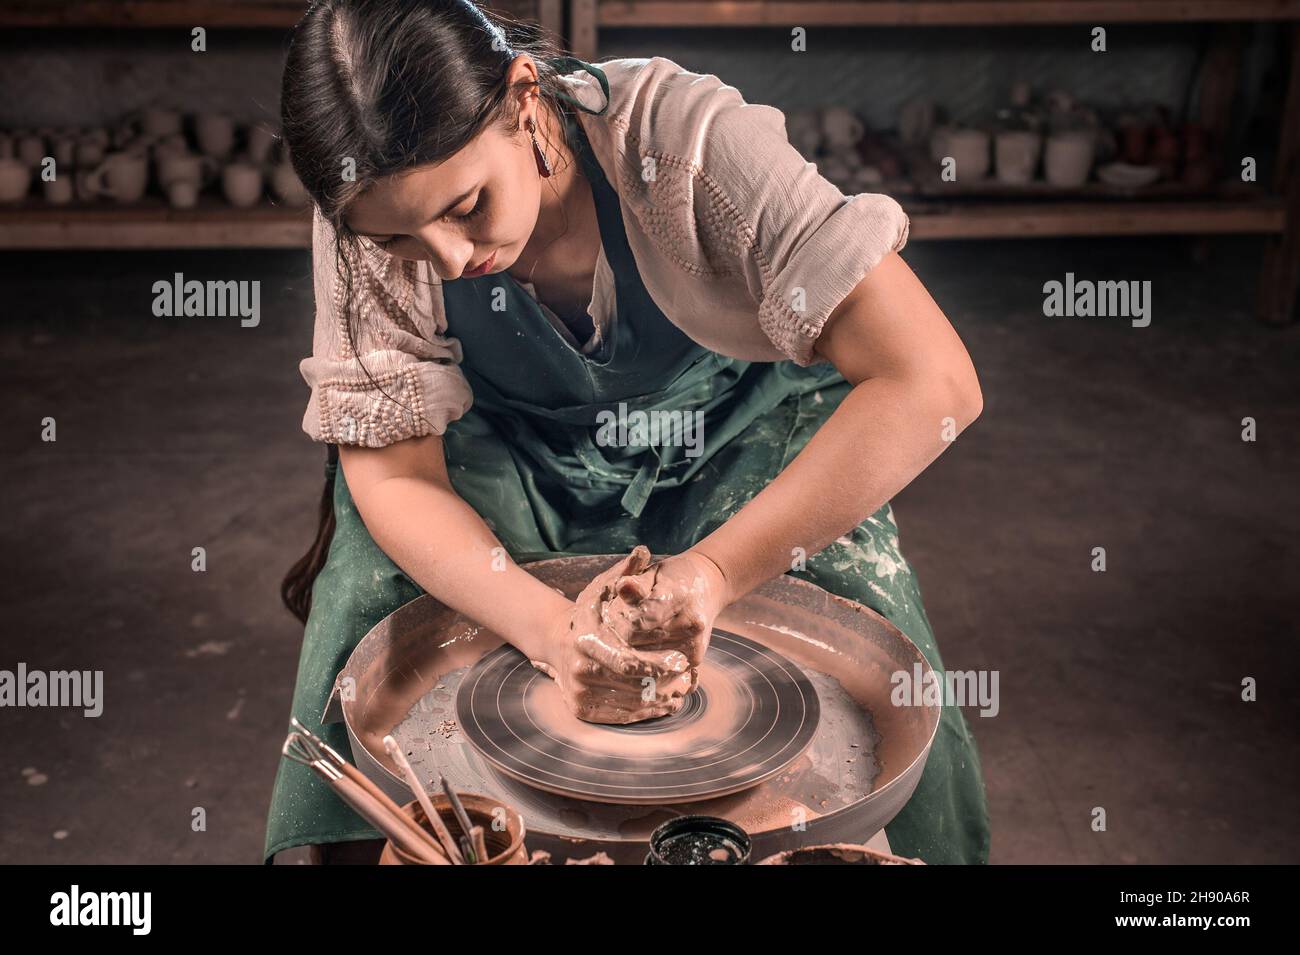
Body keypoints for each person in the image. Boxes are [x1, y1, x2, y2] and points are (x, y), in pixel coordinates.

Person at [265, 0, 989, 864]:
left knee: (869, 637)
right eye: (400, 239)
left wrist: (713, 574)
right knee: (369, 610)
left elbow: (932, 380)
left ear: (524, 100)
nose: (450, 260)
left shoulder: (682, 144)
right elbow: (392, 476)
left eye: (466, 206)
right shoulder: (359, 225)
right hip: (514, 446)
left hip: (730, 428)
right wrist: (545, 626)